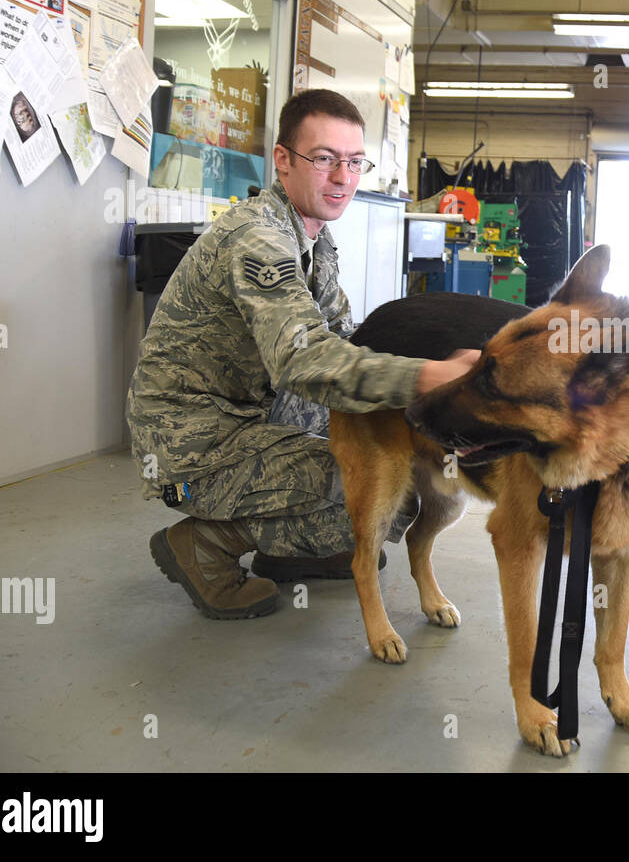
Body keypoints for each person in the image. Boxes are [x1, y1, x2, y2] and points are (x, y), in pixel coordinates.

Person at [127, 89, 478, 620]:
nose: (343, 177)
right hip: (190, 439)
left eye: (355, 162)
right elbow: (305, 360)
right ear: (283, 161)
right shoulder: (258, 239)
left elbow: (347, 343)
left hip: (256, 408)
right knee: (374, 482)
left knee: (408, 462)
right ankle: (205, 545)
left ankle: (295, 545)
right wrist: (431, 376)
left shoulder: (316, 238)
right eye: (325, 159)